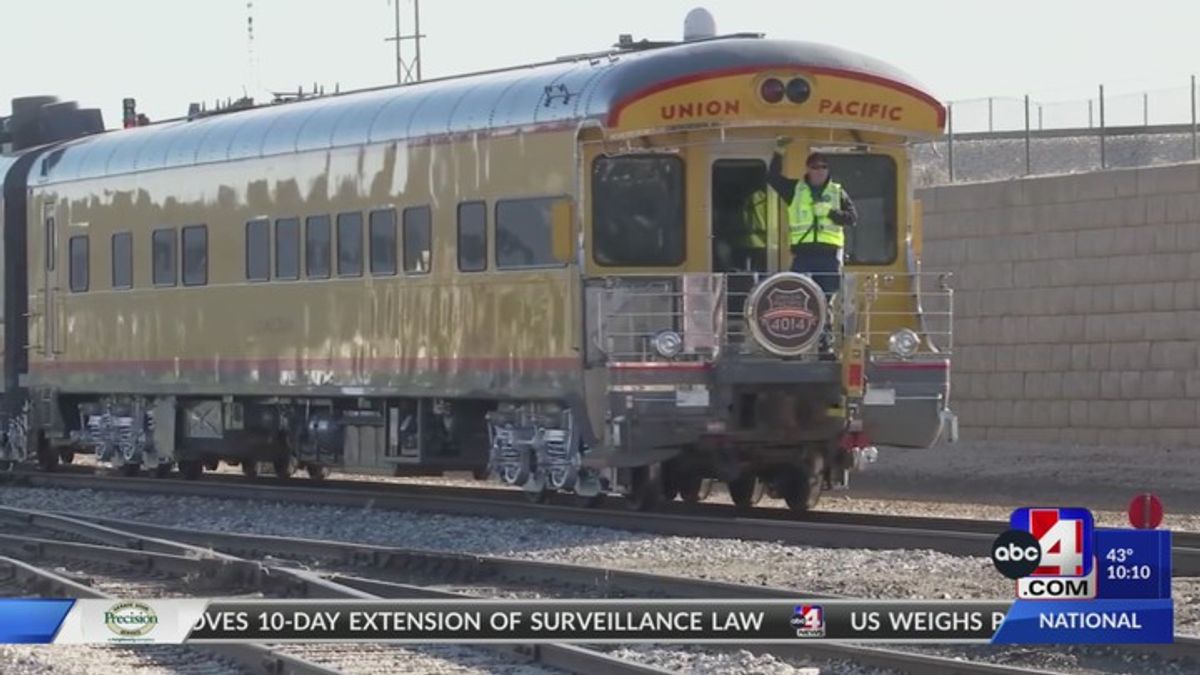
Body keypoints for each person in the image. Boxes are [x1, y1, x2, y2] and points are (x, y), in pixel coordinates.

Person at [766, 137, 857, 300]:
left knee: (827, 298)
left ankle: (827, 325)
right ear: (808, 169)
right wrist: (779, 151)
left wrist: (830, 212)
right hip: (803, 257)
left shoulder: (837, 192)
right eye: (815, 167)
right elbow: (773, 178)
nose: (820, 170)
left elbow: (852, 218)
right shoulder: (795, 189)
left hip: (829, 257)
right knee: (798, 297)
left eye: (824, 167)